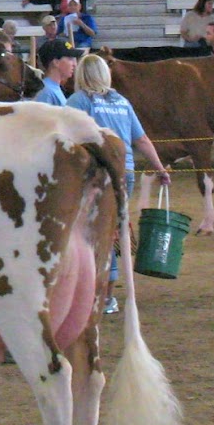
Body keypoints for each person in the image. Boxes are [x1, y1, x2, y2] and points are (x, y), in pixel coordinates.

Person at [66, 54, 172, 312]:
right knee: (112, 230)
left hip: (97, 174)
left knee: (91, 232)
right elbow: (142, 140)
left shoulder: (79, 101)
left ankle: (94, 293)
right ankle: (108, 297)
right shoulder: (122, 102)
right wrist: (160, 168)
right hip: (126, 172)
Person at [31, 40, 79, 106]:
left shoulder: (53, 89)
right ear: (56, 62)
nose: (74, 64)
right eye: (70, 58)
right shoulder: (46, 92)